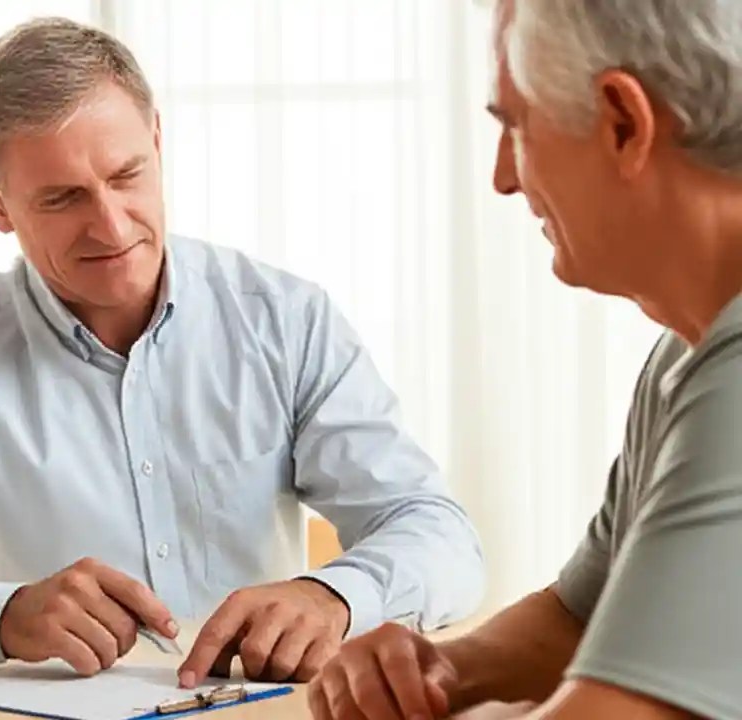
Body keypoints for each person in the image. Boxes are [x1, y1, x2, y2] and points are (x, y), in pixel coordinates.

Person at [0, 16, 484, 687]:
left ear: (157, 140)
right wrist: (2, 614)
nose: (111, 225)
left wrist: (333, 595)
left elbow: (439, 537)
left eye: (126, 176)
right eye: (62, 199)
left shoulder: (285, 322)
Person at [309, 1, 742, 718]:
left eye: (516, 124)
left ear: (623, 123)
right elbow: (579, 622)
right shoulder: (688, 351)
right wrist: (439, 670)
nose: (503, 177)